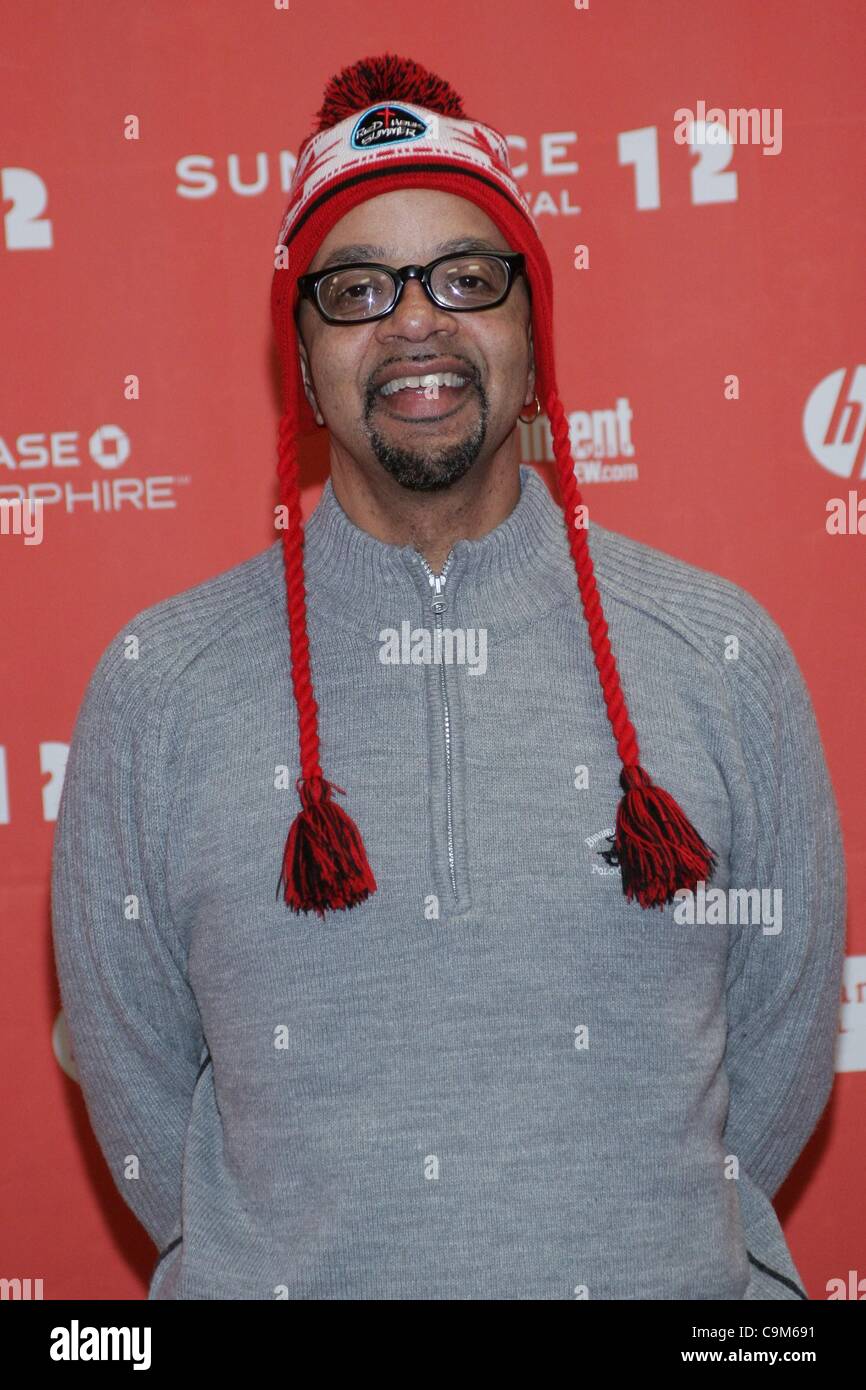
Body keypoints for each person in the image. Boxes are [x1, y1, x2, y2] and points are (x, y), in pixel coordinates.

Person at [51, 53, 846, 1300]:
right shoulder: (159, 688)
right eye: (356, 289)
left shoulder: (719, 653)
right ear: (300, 356)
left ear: (531, 331)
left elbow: (778, 1065)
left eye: (467, 279)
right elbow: (147, 1108)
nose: (416, 320)